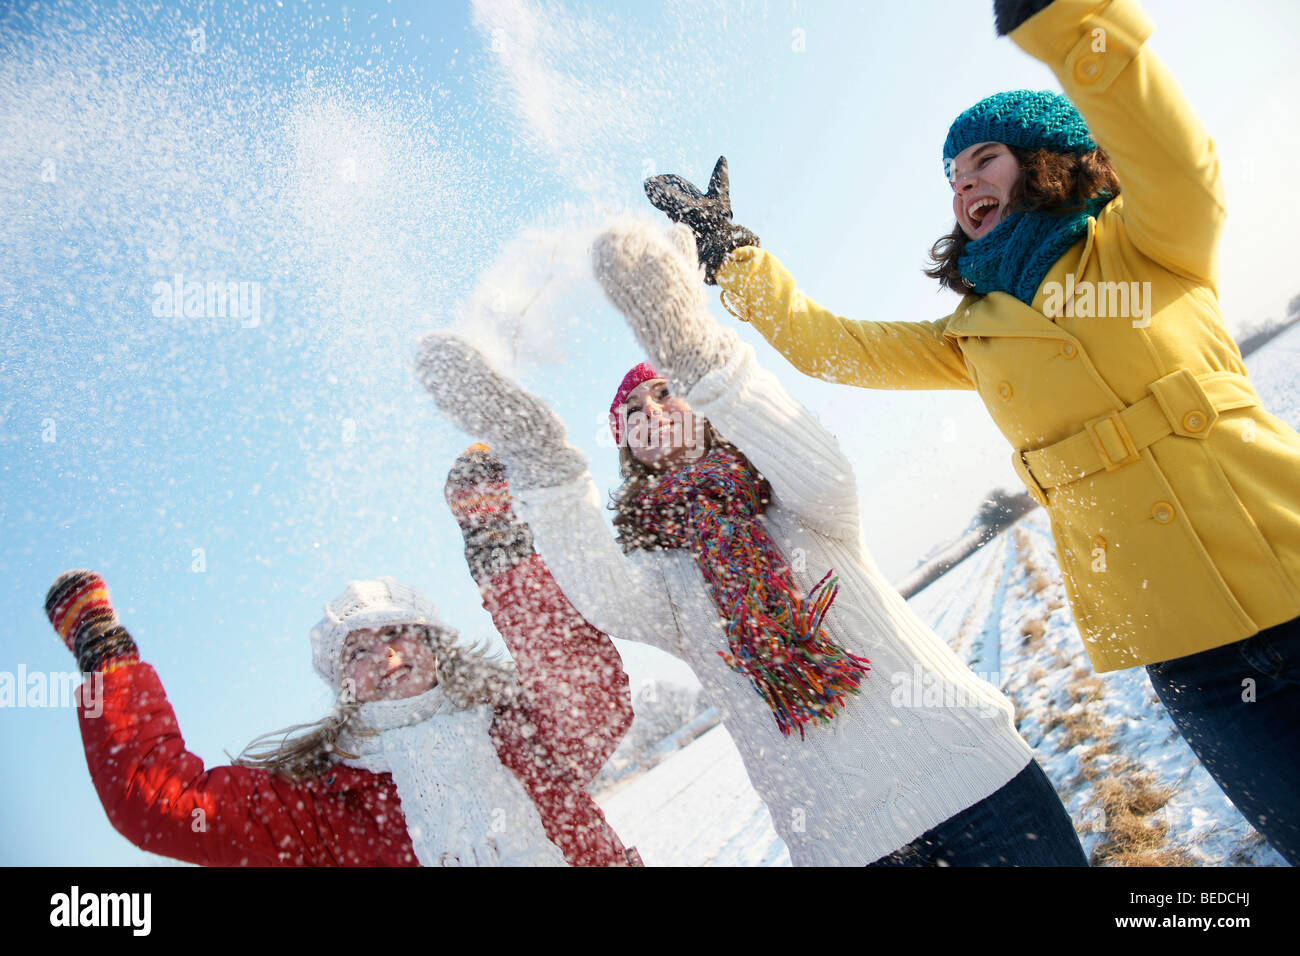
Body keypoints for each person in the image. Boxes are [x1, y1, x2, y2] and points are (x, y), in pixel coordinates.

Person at [643, 0, 1300, 864]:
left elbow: (1167, 145)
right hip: (1196, 661)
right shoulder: (974, 334)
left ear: (1046, 159)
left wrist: (1067, 24)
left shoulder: (1146, 240)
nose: (962, 187)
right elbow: (833, 346)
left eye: (981, 159)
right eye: (951, 178)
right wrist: (734, 255)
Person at [416, 220, 1088, 866]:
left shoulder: (791, 499)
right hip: (847, 844)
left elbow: (819, 464)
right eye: (634, 413)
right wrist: (545, 467)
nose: (654, 411)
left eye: (664, 392)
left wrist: (698, 355)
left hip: (975, 783)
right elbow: (603, 594)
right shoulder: (662, 574)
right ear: (625, 448)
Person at [44, 445, 639, 866]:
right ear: (339, 680)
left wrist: (497, 543)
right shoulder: (317, 807)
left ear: (434, 646)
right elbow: (159, 803)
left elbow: (586, 686)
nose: (386, 656)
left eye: (399, 633)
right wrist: (106, 654)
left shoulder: (523, 733)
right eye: (358, 648)